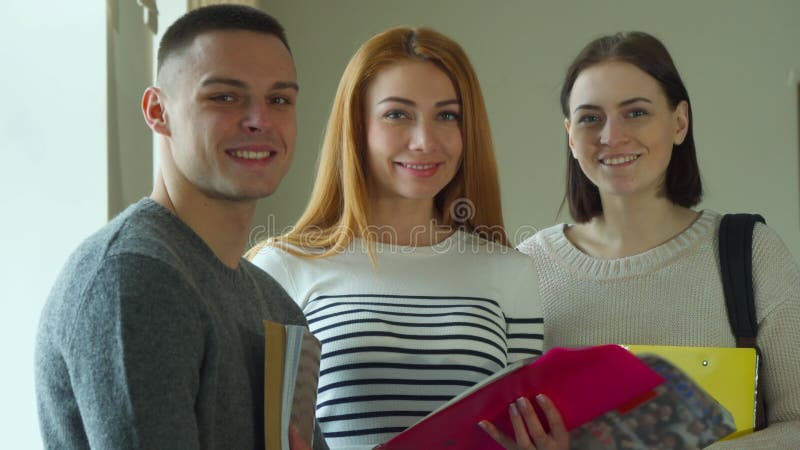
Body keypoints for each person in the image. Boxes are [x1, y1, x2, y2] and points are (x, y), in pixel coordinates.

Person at [249, 26, 567, 450]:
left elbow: (519, 429)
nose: (424, 141)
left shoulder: (509, 272)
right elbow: (254, 431)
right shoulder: (281, 267)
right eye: (397, 114)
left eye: (447, 115)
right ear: (356, 127)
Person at [35, 5, 326, 450]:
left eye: (279, 99)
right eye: (224, 97)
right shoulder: (134, 275)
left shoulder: (276, 305)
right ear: (157, 111)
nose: (259, 120)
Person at [518, 31, 800, 448]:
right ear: (570, 135)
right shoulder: (525, 269)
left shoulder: (753, 253)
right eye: (590, 117)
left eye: (635, 112)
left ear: (680, 122)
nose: (611, 136)